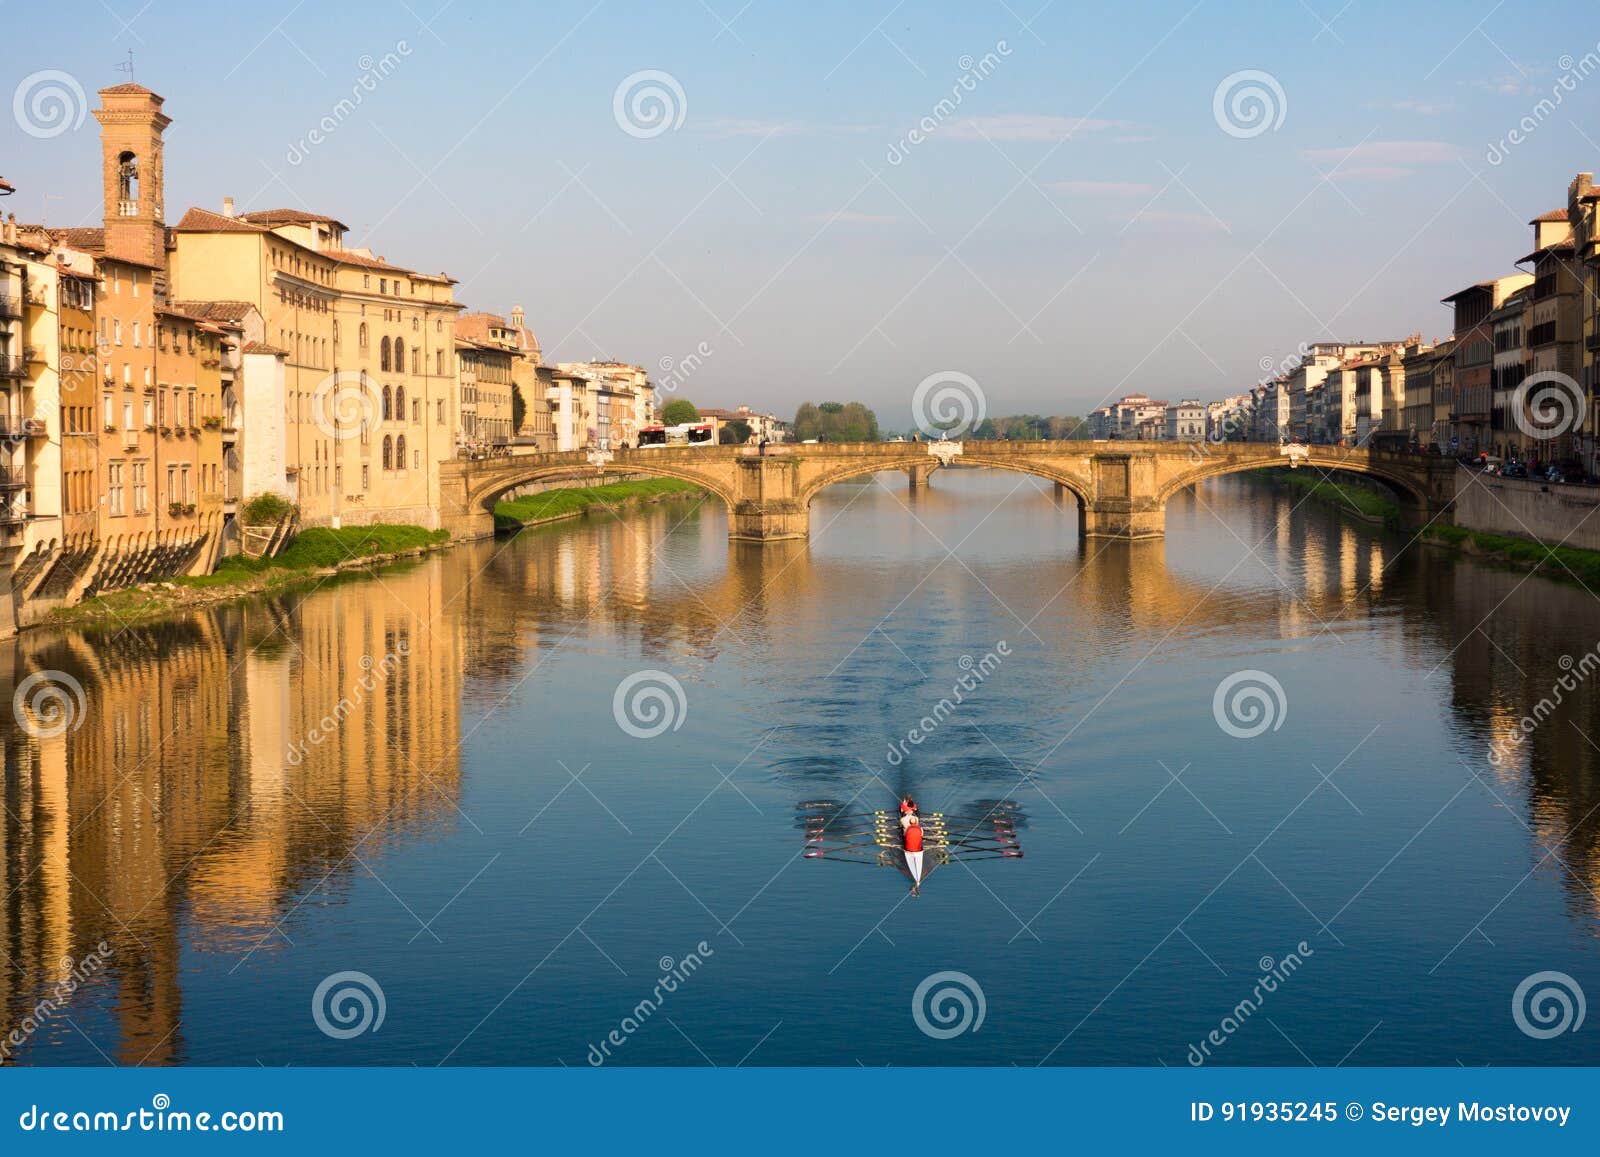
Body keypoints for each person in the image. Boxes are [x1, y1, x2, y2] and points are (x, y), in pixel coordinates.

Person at [902, 811, 924, 894]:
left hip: (908, 849)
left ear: (910, 822)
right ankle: (917, 880)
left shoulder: (907, 828)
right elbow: (922, 836)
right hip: (918, 850)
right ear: (916, 822)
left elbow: (904, 835)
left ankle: (917, 880)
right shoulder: (920, 828)